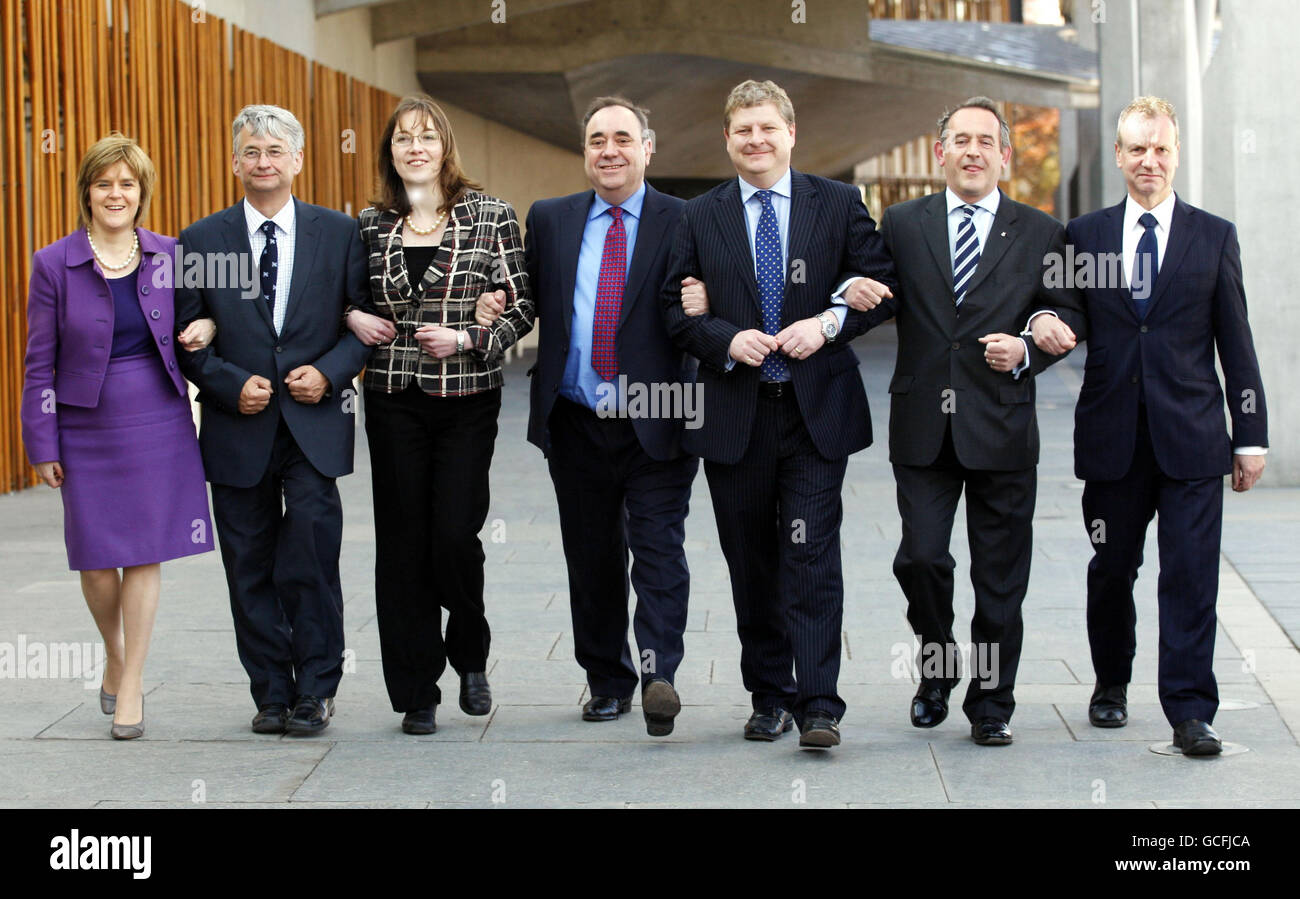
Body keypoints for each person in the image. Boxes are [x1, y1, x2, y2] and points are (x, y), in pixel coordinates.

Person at [664, 80, 896, 749]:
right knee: (752, 561)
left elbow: (882, 291)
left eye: (768, 128)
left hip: (813, 413)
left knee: (811, 554)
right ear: (727, 140)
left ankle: (819, 704)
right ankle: (769, 694)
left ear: (791, 133)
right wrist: (724, 339)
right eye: (743, 131)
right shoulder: (698, 215)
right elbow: (672, 310)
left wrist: (827, 322)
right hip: (734, 413)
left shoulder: (839, 203)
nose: (756, 140)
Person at [1036, 96, 1267, 756]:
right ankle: (1111, 681)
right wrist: (1037, 332)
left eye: (1161, 148)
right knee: (1112, 568)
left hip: (1194, 439)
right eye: (1137, 148)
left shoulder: (1213, 235)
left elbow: (1236, 340)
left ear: (1176, 153)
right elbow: (1062, 316)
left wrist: (1249, 432)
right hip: (1113, 440)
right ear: (1118, 155)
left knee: (1191, 574)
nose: (1150, 160)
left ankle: (1190, 707)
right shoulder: (1084, 235)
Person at [479, 96, 697, 735]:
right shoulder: (549, 219)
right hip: (576, 419)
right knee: (593, 555)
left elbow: (704, 307)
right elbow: (527, 296)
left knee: (659, 549)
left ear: (647, 148)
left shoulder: (684, 220)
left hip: (658, 414)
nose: (610, 150)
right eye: (597, 139)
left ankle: (659, 675)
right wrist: (494, 306)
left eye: (623, 138)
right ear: (585, 152)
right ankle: (607, 680)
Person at [873, 97, 1086, 746]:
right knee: (922, 557)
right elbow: (865, 287)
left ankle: (991, 704)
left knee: (999, 583)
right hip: (922, 429)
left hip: (1001, 426)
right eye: (959, 139)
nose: (971, 150)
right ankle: (936, 668)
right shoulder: (902, 223)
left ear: (1004, 156)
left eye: (984, 140)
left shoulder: (1043, 231)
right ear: (940, 152)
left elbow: (1067, 311)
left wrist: (1030, 344)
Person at [176, 105, 372, 736]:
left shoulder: (339, 234)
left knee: (312, 555)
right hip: (239, 428)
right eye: (251, 152)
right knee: (249, 561)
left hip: (314, 426)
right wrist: (231, 386)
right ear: (235, 163)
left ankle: (316, 689)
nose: (263, 162)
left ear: (298, 160)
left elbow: (362, 324)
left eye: (274, 151)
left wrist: (331, 373)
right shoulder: (201, 240)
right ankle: (269, 691)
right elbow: (187, 340)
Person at [344, 95, 533, 735]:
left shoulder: (490, 216)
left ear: (445, 147)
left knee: (454, 534)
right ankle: (416, 691)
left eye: (427, 137)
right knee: (402, 544)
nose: (415, 148)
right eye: (402, 139)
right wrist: (350, 316)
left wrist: (470, 339)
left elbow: (523, 308)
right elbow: (345, 299)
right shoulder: (370, 224)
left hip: (467, 402)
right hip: (394, 399)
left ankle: (471, 654)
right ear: (389, 152)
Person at [21, 134, 214, 740]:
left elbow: (205, 318)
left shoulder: (172, 254)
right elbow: (37, 364)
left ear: (141, 192)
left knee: (145, 554)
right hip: (85, 425)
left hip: (159, 417)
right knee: (99, 561)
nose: (115, 193)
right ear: (87, 191)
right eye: (104, 183)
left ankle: (131, 683)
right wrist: (42, 443)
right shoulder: (53, 263)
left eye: (126, 183)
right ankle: (114, 651)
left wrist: (206, 323)